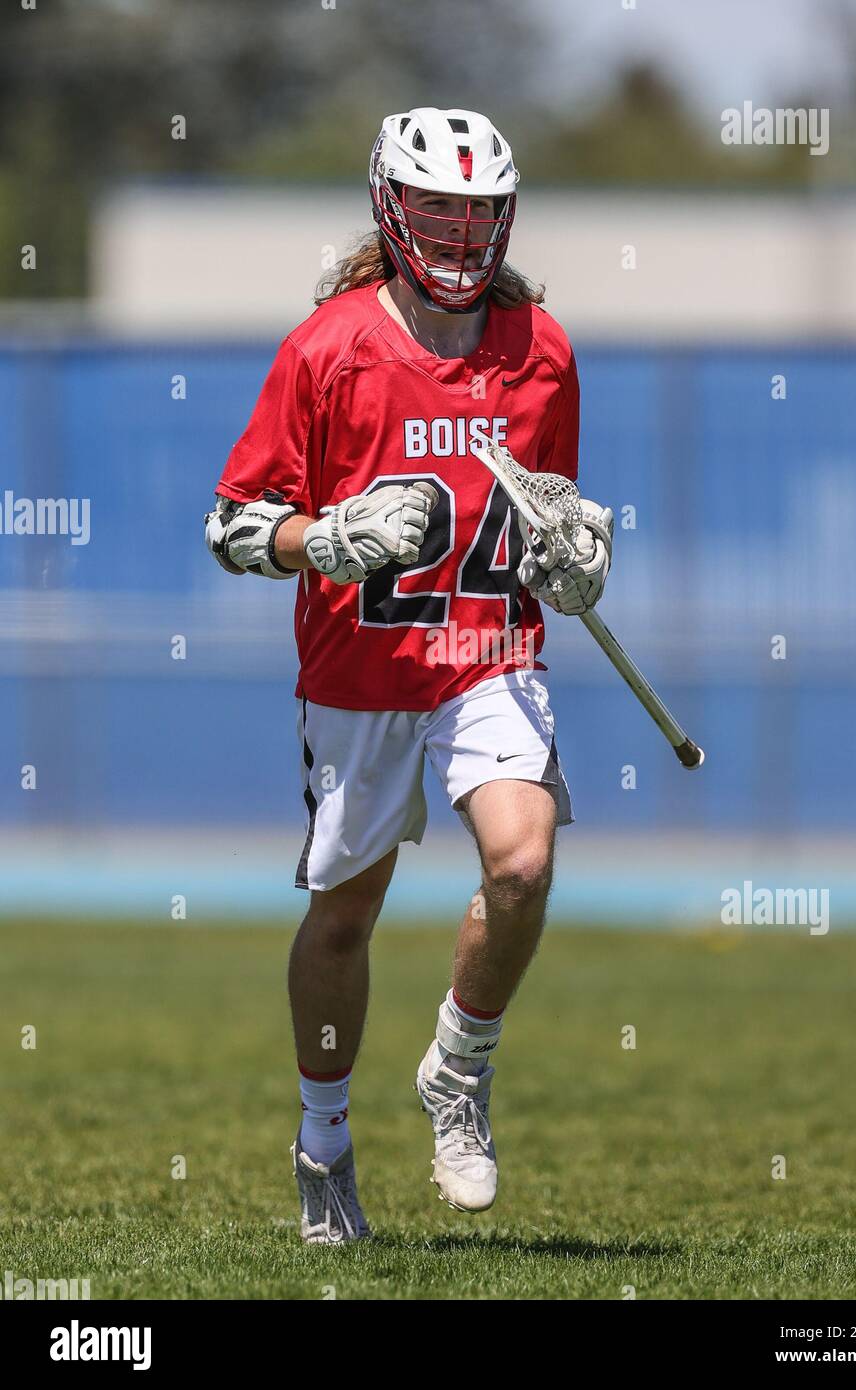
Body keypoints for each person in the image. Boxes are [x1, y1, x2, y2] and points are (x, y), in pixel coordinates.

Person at [205, 107, 613, 1243]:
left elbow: (549, 516)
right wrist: (318, 539)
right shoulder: (329, 347)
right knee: (346, 917)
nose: (459, 228)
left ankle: (459, 1067)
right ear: (392, 205)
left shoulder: (542, 347)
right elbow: (232, 523)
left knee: (523, 862)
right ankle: (323, 1139)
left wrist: (573, 556)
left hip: (488, 654)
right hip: (361, 668)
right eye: (437, 204)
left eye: (479, 209)